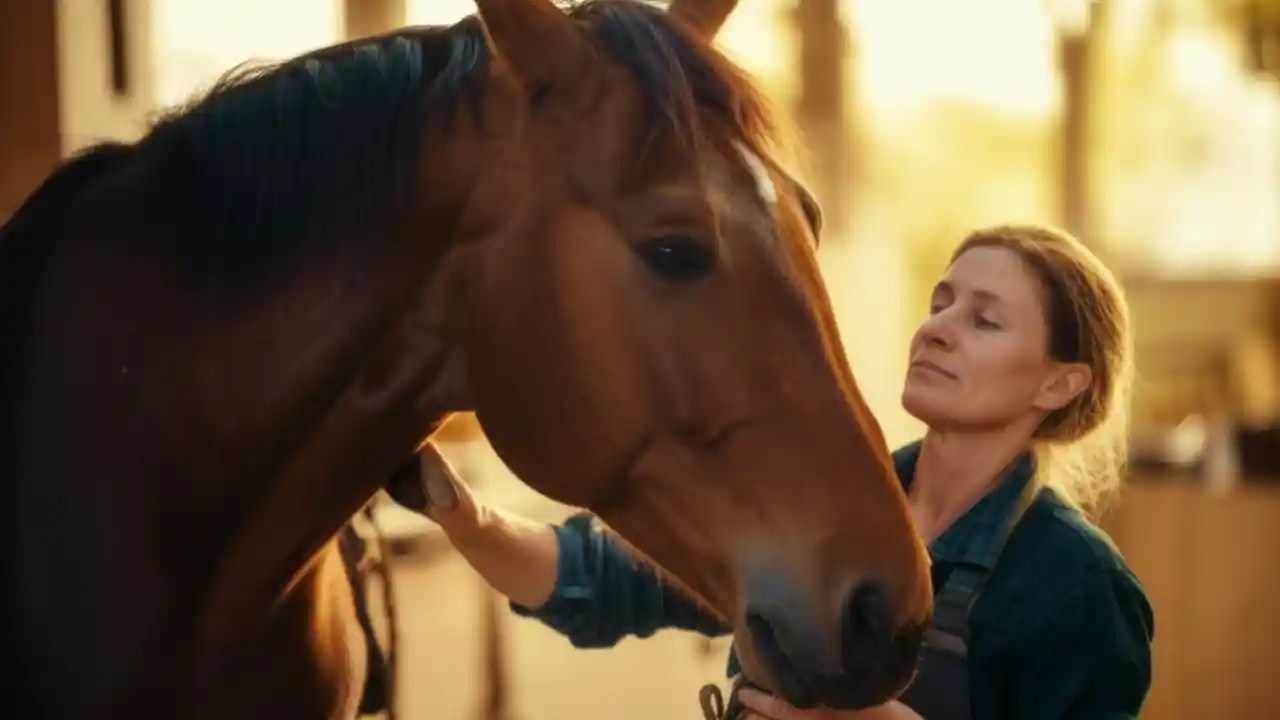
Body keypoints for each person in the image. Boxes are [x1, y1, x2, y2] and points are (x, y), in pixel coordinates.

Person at [398, 223, 1155, 719]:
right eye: (941, 301)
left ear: (1060, 384)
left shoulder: (1077, 586)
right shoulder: (806, 511)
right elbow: (596, 582)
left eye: (983, 319)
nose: (938, 329)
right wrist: (465, 518)